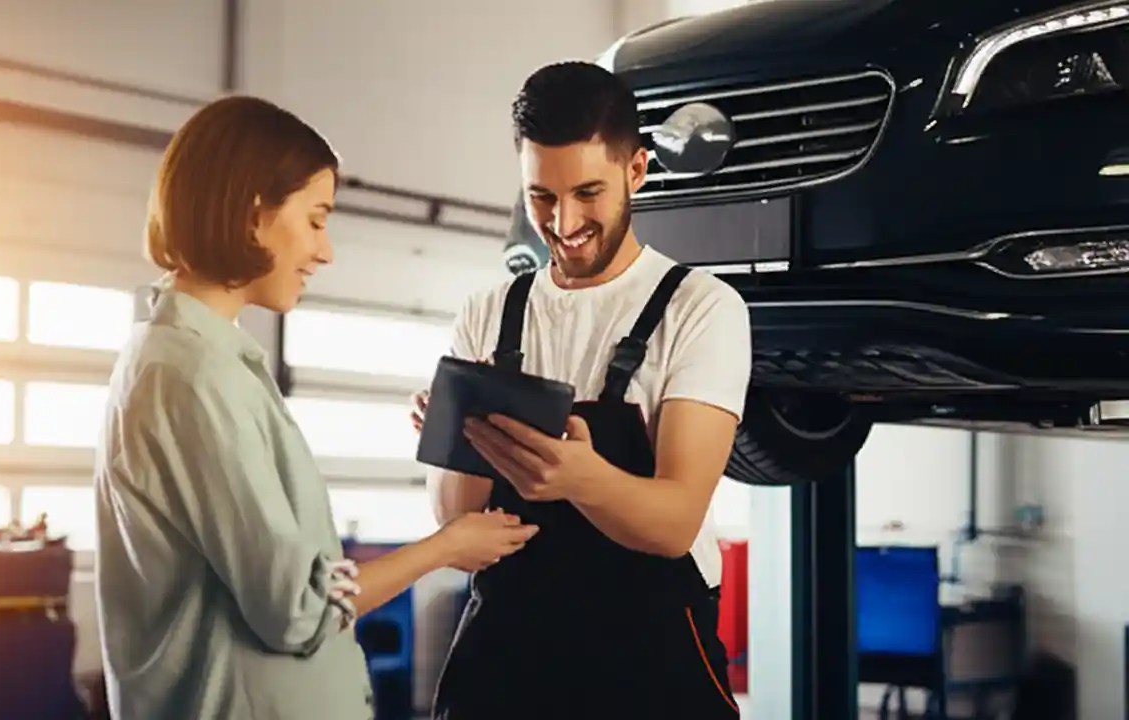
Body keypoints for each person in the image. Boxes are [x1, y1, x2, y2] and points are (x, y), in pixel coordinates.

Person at [93, 95, 539, 720]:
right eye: (316, 219)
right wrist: (445, 547)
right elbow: (301, 609)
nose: (325, 252)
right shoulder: (192, 376)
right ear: (254, 215)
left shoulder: (193, 358)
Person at [414, 61, 752, 719]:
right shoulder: (489, 311)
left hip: (650, 654)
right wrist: (458, 440)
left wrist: (580, 480)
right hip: (508, 647)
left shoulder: (701, 309)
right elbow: (457, 522)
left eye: (587, 193)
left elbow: (676, 522)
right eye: (540, 197)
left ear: (637, 171)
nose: (564, 223)